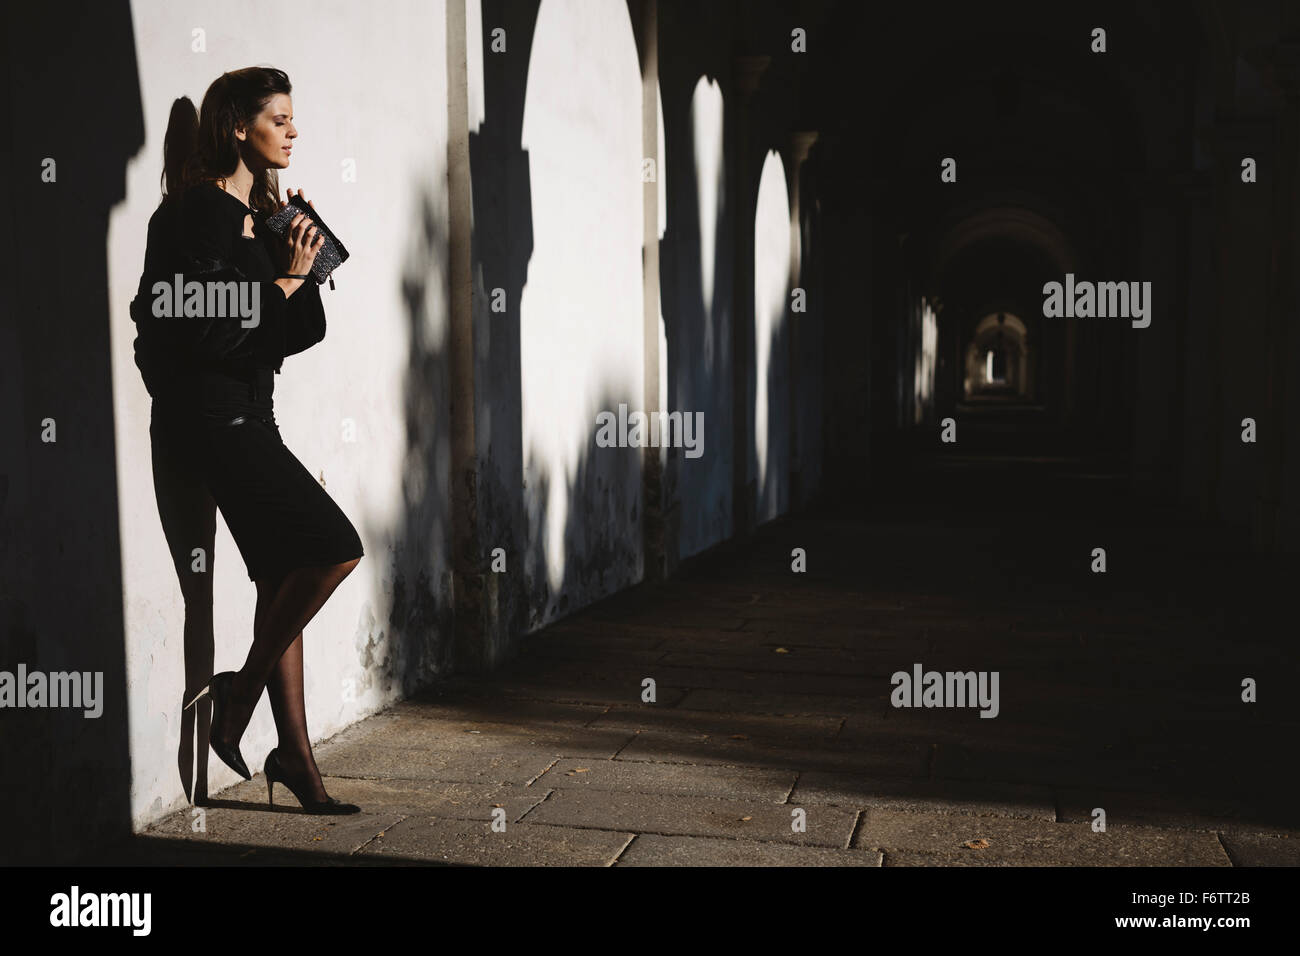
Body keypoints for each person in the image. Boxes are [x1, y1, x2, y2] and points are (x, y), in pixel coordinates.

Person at [130, 67, 363, 814]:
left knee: (283, 574)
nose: (294, 130)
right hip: (210, 417)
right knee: (333, 546)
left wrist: (302, 255)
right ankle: (238, 694)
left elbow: (290, 337)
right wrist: (283, 280)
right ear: (238, 126)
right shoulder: (194, 213)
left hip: (251, 412)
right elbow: (194, 323)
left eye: (295, 119)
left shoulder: (256, 214)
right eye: (280, 118)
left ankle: (295, 758)